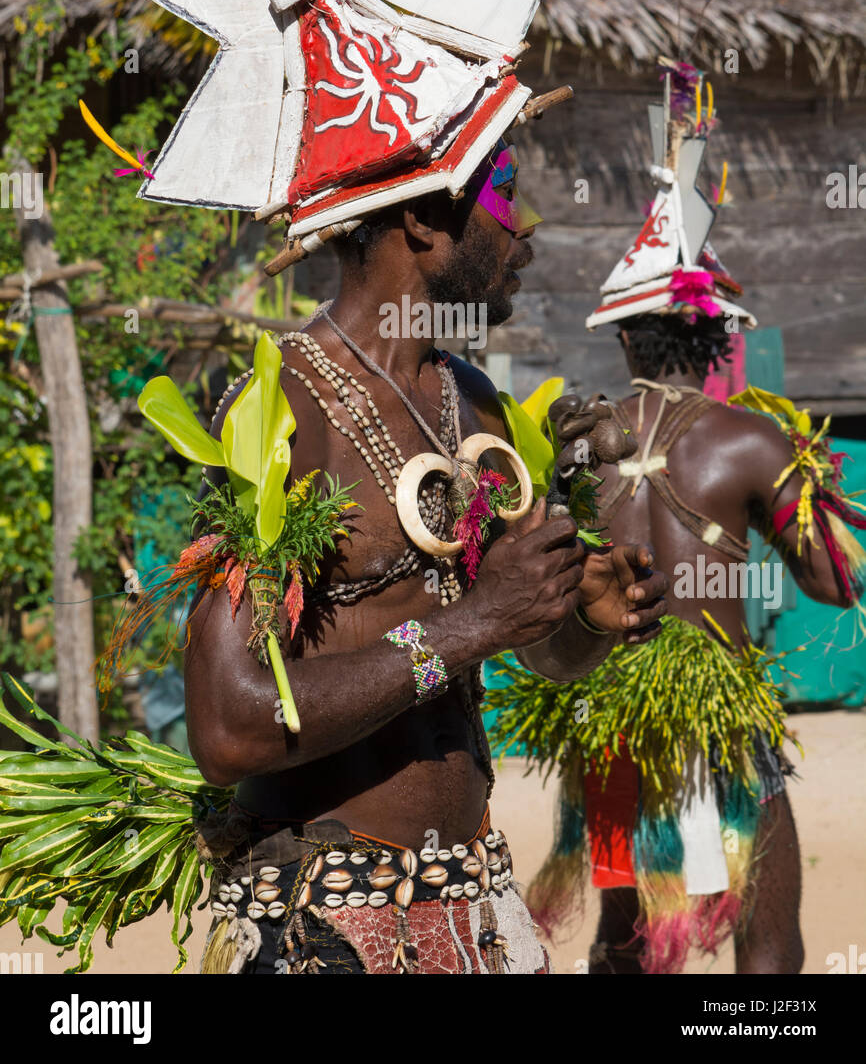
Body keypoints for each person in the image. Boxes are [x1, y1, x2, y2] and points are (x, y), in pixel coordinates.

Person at [186, 141, 669, 976]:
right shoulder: (279, 409)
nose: (530, 228)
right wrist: (470, 625)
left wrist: (580, 612)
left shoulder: (472, 399)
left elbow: (533, 649)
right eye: (508, 194)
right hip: (323, 921)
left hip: (476, 898)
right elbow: (228, 726)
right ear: (420, 218)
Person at [508, 55, 865, 977]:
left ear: (625, 334)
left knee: (623, 943)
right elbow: (835, 583)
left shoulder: (578, 444)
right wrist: (813, 482)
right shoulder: (752, 441)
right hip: (716, 722)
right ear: (719, 335)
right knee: (766, 931)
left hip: (614, 719)